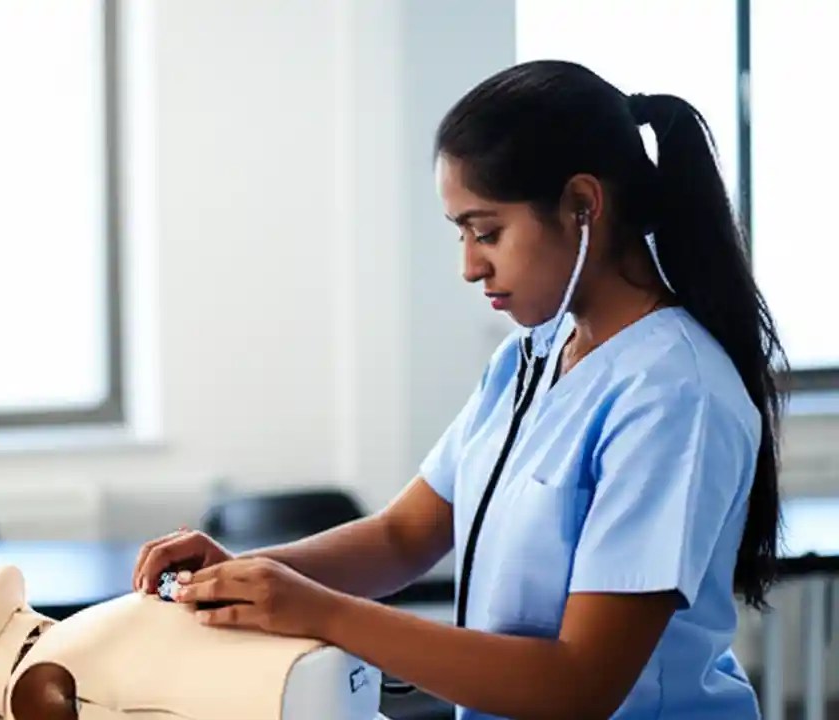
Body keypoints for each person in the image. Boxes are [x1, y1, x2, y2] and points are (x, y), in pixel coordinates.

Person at [133, 59, 786, 720]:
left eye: (487, 232)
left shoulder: (675, 394)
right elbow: (403, 535)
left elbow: (578, 685)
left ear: (582, 206)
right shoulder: (528, 358)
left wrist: (318, 610)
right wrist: (239, 574)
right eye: (462, 234)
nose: (470, 266)